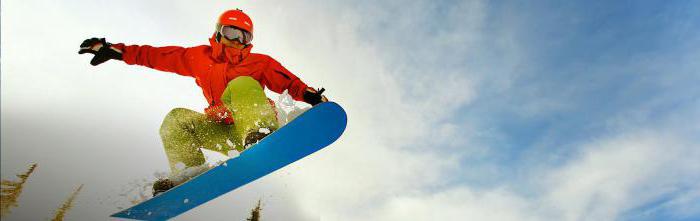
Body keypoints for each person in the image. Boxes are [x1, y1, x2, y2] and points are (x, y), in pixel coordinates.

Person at [78, 9, 328, 196]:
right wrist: (116, 51)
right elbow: (159, 56)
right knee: (176, 118)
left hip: (255, 121)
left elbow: (289, 82)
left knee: (241, 84)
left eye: (244, 36)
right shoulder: (199, 58)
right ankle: (188, 171)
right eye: (232, 32)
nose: (237, 40)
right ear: (219, 32)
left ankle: (260, 135)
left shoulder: (259, 62)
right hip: (226, 132)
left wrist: (311, 96)